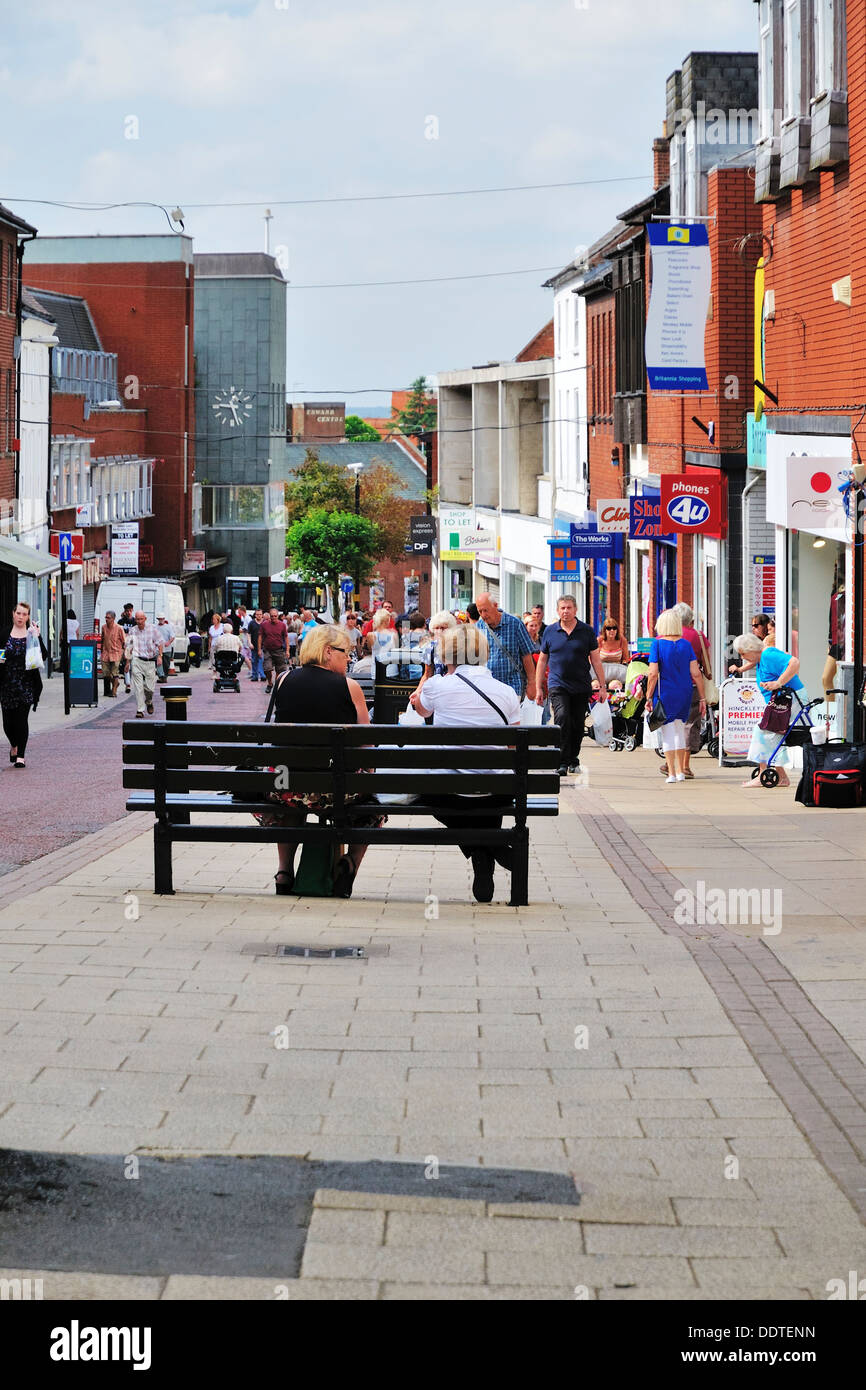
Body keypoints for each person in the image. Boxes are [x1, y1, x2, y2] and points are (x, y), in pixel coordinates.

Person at [256, 624, 382, 898]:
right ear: (327, 652)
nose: (349, 658)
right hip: (338, 791)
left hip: (287, 788)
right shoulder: (350, 687)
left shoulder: (283, 680)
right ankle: (350, 864)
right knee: (372, 806)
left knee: (290, 797)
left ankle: (284, 871)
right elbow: (368, 744)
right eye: (345, 652)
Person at [409, 623, 521, 903]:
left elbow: (422, 710)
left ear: (447, 655)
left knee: (434, 791)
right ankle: (489, 847)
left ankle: (485, 850)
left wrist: (417, 700)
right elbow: (513, 746)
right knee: (488, 788)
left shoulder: (436, 685)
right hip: (497, 791)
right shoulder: (506, 692)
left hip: (448, 793)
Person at [535, 594, 607, 775]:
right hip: (557, 684)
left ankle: (573, 758)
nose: (565, 611)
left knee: (576, 723)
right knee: (562, 717)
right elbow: (542, 661)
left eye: (568, 608)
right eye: (562, 608)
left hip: (581, 685)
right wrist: (538, 687)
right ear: (557, 611)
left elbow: (596, 660)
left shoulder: (586, 631)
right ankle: (561, 761)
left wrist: (603, 686)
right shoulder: (550, 631)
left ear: (575, 610)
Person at [645, 608, 706, 784]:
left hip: (665, 693)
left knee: (667, 732)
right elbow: (696, 673)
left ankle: (671, 772)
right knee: (680, 730)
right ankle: (680, 770)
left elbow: (653, 673)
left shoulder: (657, 644)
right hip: (685, 692)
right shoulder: (686, 645)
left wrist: (649, 697)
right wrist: (702, 698)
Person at [741, 636, 804, 790]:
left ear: (751, 649)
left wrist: (778, 683)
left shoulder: (767, 654)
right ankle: (781, 776)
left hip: (791, 701)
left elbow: (794, 662)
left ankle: (763, 774)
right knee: (771, 734)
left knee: (763, 731)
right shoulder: (760, 659)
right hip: (781, 703)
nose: (742, 658)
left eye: (743, 654)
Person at [671, 601, 713, 780]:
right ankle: (685, 766)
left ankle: (670, 762)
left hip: (670, 686)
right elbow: (706, 661)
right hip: (692, 686)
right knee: (689, 724)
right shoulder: (698, 636)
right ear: (691, 620)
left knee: (671, 725)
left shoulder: (666, 636)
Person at [0, 601, 44, 768]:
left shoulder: (31, 634)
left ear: (27, 616)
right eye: (18, 613)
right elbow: (0, 657)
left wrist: (38, 636)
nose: (20, 617)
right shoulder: (4, 634)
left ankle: (21, 756)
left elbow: (44, 656)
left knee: (21, 721)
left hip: (26, 684)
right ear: (13, 613)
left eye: (24, 614)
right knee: (8, 724)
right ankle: (13, 745)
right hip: (7, 685)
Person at [475, 593, 537, 703]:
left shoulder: (514, 624)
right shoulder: (478, 627)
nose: (483, 615)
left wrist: (532, 683)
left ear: (495, 605)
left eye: (486, 610)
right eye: (480, 611)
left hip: (512, 686)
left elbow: (526, 655)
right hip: (487, 688)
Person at [125, 611, 165, 719]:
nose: (139, 622)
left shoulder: (152, 629)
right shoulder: (132, 630)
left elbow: (160, 642)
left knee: (149, 688)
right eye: (137, 619)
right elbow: (129, 647)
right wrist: (127, 663)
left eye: (141, 619)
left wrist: (160, 656)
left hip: (150, 661)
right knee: (138, 687)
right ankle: (140, 710)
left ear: (145, 618)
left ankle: (149, 701)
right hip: (137, 660)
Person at [260, 607, 289, 692]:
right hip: (267, 650)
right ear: (269, 616)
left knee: (280, 669)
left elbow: (286, 637)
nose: (273, 618)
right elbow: (260, 636)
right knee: (267, 668)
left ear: (278, 616)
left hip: (279, 650)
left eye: (275, 616)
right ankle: (269, 683)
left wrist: (287, 650)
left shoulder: (282, 625)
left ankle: (276, 684)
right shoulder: (264, 624)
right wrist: (259, 649)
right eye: (272, 616)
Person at [597, 617, 630, 687]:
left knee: (614, 686)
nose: (612, 630)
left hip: (617, 672)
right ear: (604, 630)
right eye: (609, 628)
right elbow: (592, 659)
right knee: (595, 685)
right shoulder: (599, 641)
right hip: (601, 672)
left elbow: (626, 659)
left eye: (614, 628)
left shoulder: (622, 640)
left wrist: (623, 664)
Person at [100, 610, 126, 697]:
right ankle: (115, 684)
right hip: (106, 653)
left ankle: (114, 691)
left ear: (113, 619)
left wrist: (124, 653)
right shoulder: (103, 627)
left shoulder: (119, 628)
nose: (106, 619)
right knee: (106, 673)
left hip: (116, 653)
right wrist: (102, 650)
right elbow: (102, 639)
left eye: (108, 618)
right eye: (106, 617)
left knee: (115, 673)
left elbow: (124, 641)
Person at [367, 607, 398, 674]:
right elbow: (396, 650)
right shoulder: (394, 634)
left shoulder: (370, 635)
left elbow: (370, 649)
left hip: (376, 670)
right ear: (387, 620)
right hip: (391, 670)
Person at [118, 603, 136, 692]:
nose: (129, 612)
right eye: (127, 611)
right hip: (124, 645)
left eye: (130, 610)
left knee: (132, 665)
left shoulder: (135, 622)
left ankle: (129, 682)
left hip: (134, 645)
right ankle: (128, 684)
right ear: (124, 611)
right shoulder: (121, 621)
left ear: (132, 610)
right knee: (126, 664)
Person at [155, 614, 174, 682]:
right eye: (159, 619)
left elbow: (172, 636)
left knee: (166, 663)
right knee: (159, 663)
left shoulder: (168, 627)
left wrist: (168, 642)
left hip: (167, 649)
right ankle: (161, 676)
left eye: (162, 619)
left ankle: (165, 676)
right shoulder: (155, 627)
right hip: (158, 649)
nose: (161, 620)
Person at [247, 608, 264, 681]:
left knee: (261, 660)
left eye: (260, 614)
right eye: (257, 614)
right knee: (254, 661)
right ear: (255, 615)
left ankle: (262, 675)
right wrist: (249, 643)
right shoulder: (251, 623)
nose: (259, 616)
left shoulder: (265, 622)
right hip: (254, 645)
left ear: (262, 615)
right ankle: (255, 676)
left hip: (263, 646)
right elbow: (248, 634)